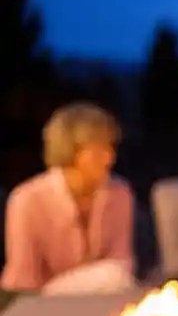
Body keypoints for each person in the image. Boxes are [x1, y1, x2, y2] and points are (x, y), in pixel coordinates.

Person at [1, 102, 135, 293]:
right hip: (41, 302)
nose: (109, 158)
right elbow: (23, 277)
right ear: (71, 151)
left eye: (110, 148)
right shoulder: (27, 200)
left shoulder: (120, 193)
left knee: (114, 275)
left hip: (102, 298)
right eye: (98, 151)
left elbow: (122, 262)